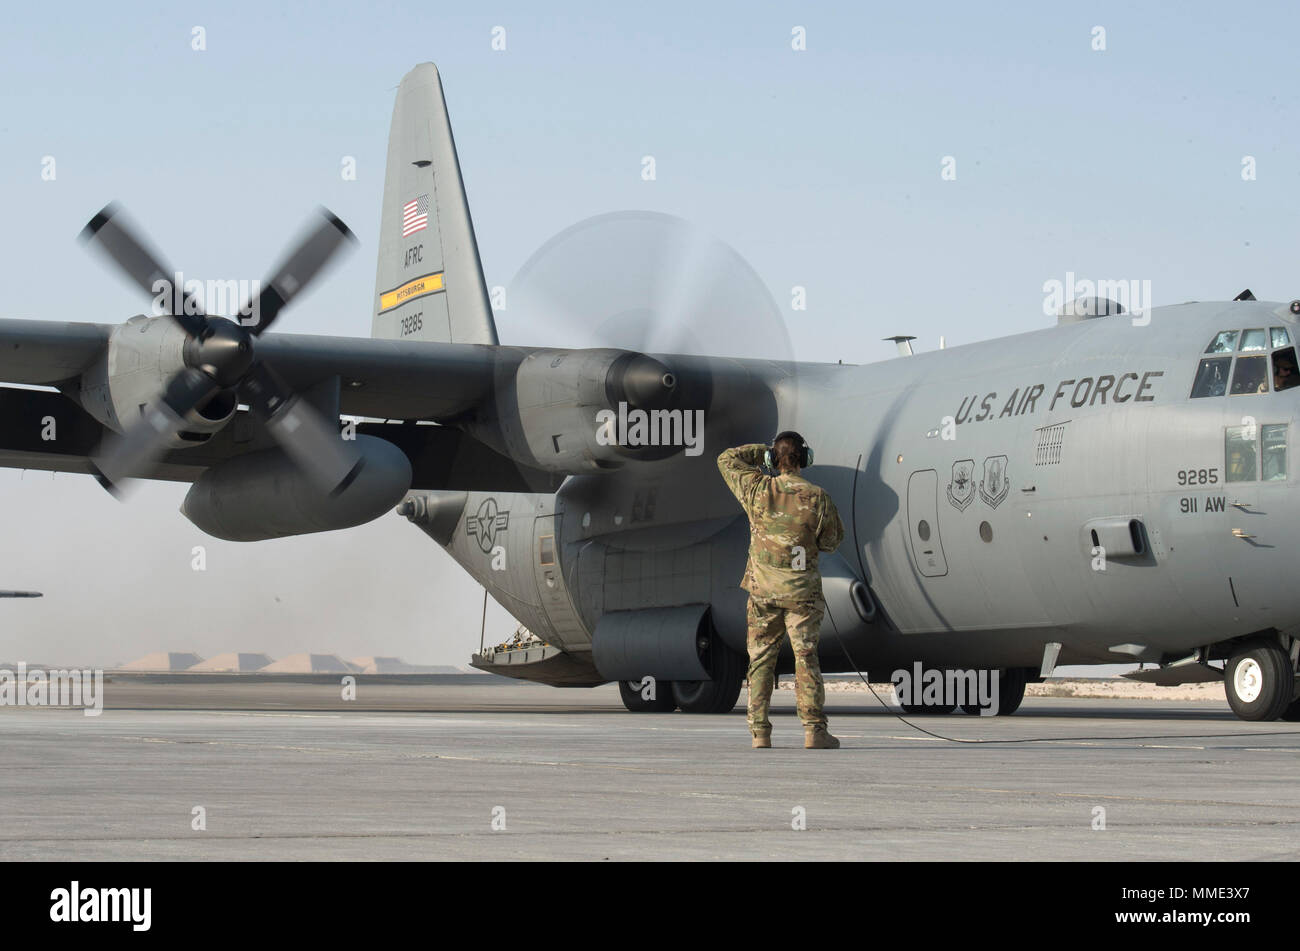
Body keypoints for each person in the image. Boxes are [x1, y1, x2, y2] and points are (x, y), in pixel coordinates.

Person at [717, 432, 845, 750]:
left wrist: (765, 453)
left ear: (775, 460)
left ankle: (760, 733)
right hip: (803, 595)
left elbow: (726, 460)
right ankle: (814, 730)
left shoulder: (758, 489)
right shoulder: (818, 497)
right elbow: (831, 542)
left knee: (760, 660)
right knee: (805, 657)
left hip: (763, 593)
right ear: (805, 459)